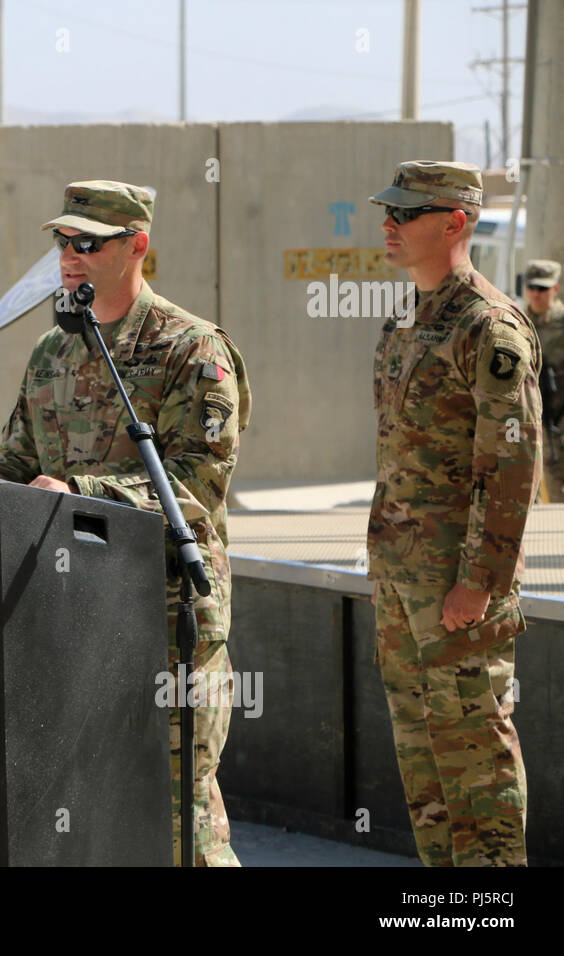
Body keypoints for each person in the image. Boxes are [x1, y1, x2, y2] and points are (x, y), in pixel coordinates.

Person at [0, 180, 251, 867]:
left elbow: (195, 484)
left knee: (179, 815)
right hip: (68, 616)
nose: (68, 256)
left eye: (87, 243)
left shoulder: (191, 351)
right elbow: (14, 469)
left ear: (137, 245)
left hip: (162, 614)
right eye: (62, 241)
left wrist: (78, 491)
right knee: (87, 814)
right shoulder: (52, 352)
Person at [367, 160, 541, 866]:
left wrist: (480, 580)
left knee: (475, 753)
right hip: (402, 581)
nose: (389, 225)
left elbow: (509, 465)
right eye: (388, 212)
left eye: (404, 214)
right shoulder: (406, 321)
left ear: (455, 221)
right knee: (424, 759)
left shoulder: (490, 328)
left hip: (457, 586)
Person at [520, 260, 564, 500]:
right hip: (527, 418)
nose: (536, 294)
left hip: (558, 417)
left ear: (555, 289)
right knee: (527, 486)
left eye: (543, 288)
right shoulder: (516, 319)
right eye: (532, 287)